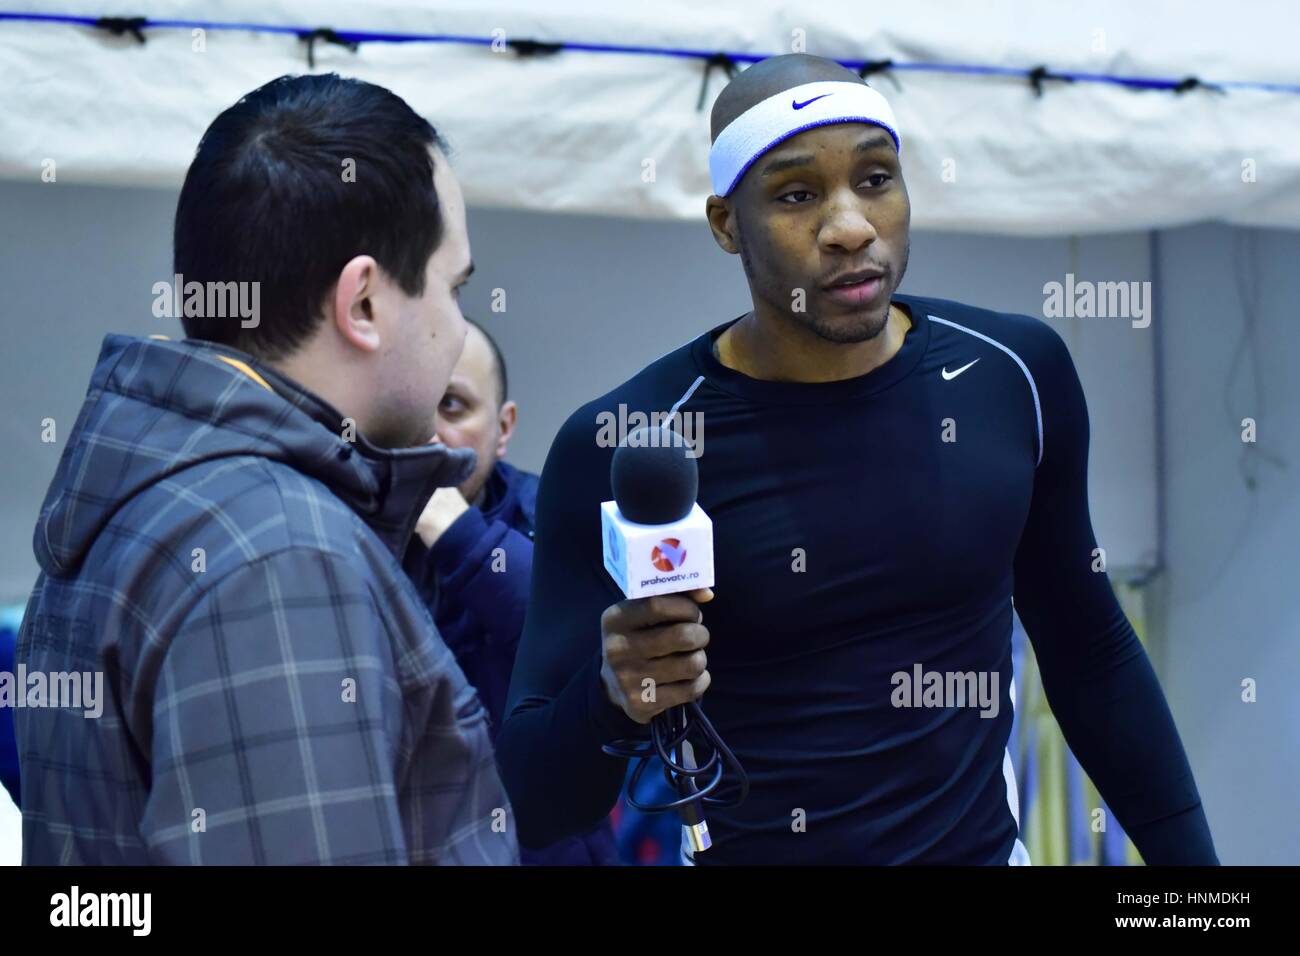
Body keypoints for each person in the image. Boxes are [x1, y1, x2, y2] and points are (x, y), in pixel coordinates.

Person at [496, 54, 1218, 865]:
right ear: (726, 223)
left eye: (876, 178)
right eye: (798, 195)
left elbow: (1091, 654)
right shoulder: (632, 438)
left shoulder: (1013, 373)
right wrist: (612, 701)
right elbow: (534, 803)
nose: (850, 226)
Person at [15, 74, 516, 865]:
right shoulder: (281, 555)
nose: (459, 325)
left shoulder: (164, 502)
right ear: (363, 305)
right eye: (455, 288)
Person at [404, 319, 617, 864]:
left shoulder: (548, 512)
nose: (426, 434)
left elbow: (584, 640)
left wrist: (456, 534)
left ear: (503, 428)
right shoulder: (348, 520)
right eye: (411, 406)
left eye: (452, 406)